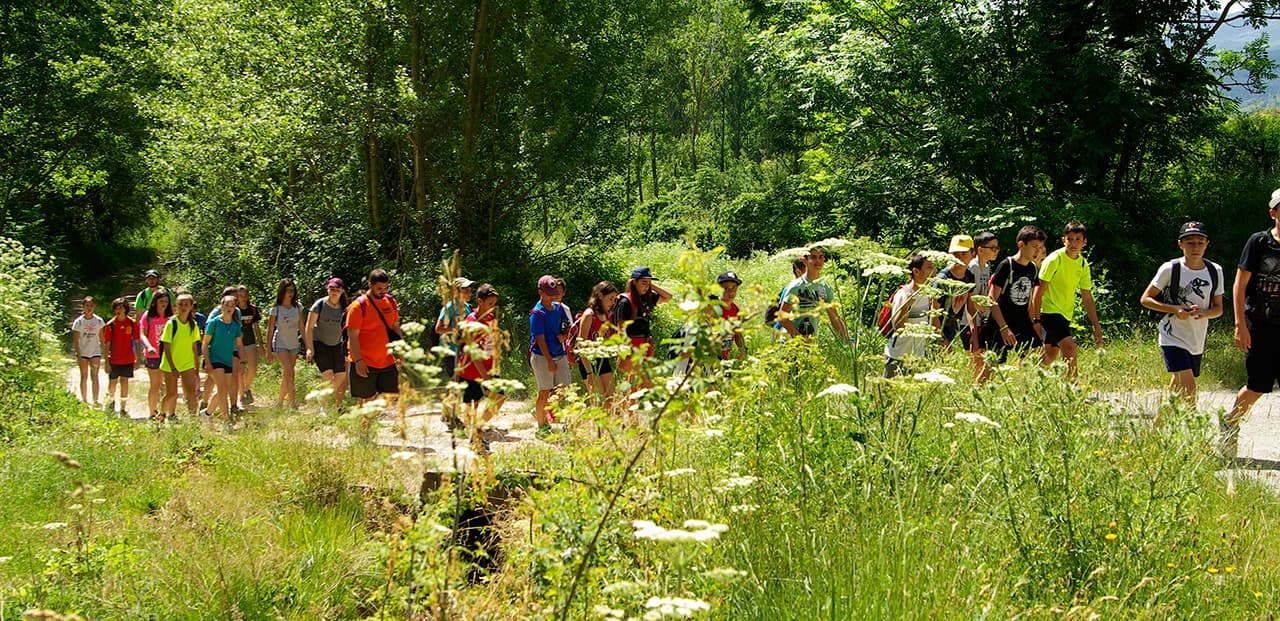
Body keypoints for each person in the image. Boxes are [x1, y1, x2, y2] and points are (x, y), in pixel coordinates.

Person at [1138, 222, 1223, 408]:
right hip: (1172, 336)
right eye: (1190, 242)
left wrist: (1204, 312)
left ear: (1207, 244)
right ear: (1180, 244)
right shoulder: (1170, 268)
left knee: (1175, 392)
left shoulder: (1215, 271)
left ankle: (1158, 425)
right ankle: (1193, 425)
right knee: (1189, 387)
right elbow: (1146, 299)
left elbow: (1218, 309)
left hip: (1196, 338)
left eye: (1200, 242)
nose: (1195, 247)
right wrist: (1175, 309)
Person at [1224, 189, 1280, 458]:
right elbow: (1239, 285)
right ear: (1273, 213)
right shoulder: (1259, 242)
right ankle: (1230, 424)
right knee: (1258, 385)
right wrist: (1240, 325)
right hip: (1260, 323)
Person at [1031, 222, 1103, 377]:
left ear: (1084, 242)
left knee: (1049, 356)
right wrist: (1036, 320)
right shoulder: (1054, 259)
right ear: (1063, 240)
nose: (1073, 243)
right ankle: (1072, 387)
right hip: (1049, 312)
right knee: (1070, 349)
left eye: (1078, 239)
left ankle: (1027, 381)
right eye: (1070, 239)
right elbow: (1038, 292)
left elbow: (1087, 297)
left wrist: (1096, 326)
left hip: (1065, 314)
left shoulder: (1082, 264)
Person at [979, 225, 1047, 377]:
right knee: (992, 366)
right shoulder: (1007, 265)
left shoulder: (1032, 268)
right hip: (1001, 322)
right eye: (1034, 246)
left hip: (1022, 321)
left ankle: (1023, 386)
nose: (1038, 251)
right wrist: (1004, 328)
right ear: (1021, 244)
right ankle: (977, 389)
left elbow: (1029, 300)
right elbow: (992, 298)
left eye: (1040, 247)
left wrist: (1034, 322)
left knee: (1036, 354)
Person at [346, 269, 403, 408]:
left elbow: (395, 327)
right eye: (379, 288)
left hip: (387, 360)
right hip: (365, 361)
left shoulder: (390, 302)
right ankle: (364, 421)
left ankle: (372, 414)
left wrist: (401, 351)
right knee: (367, 398)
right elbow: (352, 336)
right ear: (370, 285)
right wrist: (358, 361)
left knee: (392, 395)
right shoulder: (358, 306)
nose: (383, 291)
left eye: (386, 288)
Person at [458, 284, 506, 433]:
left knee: (499, 397)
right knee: (472, 404)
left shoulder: (491, 318)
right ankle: (471, 433)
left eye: (494, 303)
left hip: (489, 368)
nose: (493, 307)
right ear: (480, 301)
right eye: (490, 303)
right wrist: (485, 376)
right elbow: (473, 353)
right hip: (471, 371)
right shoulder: (471, 321)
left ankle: (477, 427)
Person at [779, 245, 852, 342]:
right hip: (790, 343)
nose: (818, 261)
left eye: (820, 257)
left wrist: (848, 340)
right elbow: (782, 317)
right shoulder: (796, 286)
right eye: (813, 257)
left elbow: (835, 318)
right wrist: (799, 339)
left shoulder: (824, 287)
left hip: (810, 343)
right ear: (804, 260)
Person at [884, 254, 939, 378]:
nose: (934, 272)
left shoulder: (928, 294)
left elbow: (934, 326)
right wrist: (905, 307)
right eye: (929, 268)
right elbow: (898, 328)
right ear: (916, 271)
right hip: (897, 355)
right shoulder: (903, 294)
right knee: (890, 390)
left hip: (918, 356)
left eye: (934, 267)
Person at [613, 267, 674, 378]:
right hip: (631, 345)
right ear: (634, 282)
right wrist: (622, 355)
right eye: (643, 283)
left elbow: (668, 297)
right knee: (634, 382)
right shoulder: (625, 301)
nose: (646, 287)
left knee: (645, 382)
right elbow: (620, 330)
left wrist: (651, 285)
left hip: (645, 344)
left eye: (649, 283)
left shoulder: (647, 299)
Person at [530, 275, 571, 436]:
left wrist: (565, 335)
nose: (552, 297)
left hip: (559, 353)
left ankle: (542, 410)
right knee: (544, 391)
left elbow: (567, 325)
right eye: (549, 294)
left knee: (564, 388)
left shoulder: (558, 308)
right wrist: (549, 361)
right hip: (542, 357)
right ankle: (542, 426)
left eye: (554, 293)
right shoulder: (537, 313)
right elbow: (540, 340)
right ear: (540, 292)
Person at [305, 278, 349, 413]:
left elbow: (348, 329)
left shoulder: (345, 307)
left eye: (337, 290)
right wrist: (309, 348)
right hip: (320, 342)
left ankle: (322, 395)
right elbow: (309, 327)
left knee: (341, 375)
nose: (334, 292)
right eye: (332, 289)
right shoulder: (319, 305)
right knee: (328, 374)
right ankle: (323, 408)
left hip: (337, 343)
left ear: (342, 291)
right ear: (327, 289)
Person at [203, 294, 245, 428]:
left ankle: (207, 413)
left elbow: (239, 344)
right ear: (221, 306)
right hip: (214, 359)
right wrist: (207, 362)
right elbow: (205, 343)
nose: (229, 308)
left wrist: (242, 361)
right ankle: (227, 420)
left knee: (224, 390)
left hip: (228, 360)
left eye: (232, 305)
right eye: (227, 305)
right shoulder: (214, 323)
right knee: (222, 388)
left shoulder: (235, 325)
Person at [160, 293, 203, 422]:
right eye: (180, 304)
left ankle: (193, 421)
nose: (183, 307)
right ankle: (161, 415)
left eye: (186, 304)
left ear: (191, 306)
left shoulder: (193, 325)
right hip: (170, 365)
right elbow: (166, 347)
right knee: (171, 394)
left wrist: (196, 368)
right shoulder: (171, 324)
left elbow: (194, 348)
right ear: (175, 306)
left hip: (187, 364)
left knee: (191, 392)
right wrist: (173, 367)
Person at [574, 281, 619, 400]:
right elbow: (580, 345)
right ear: (600, 296)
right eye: (610, 299)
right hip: (588, 361)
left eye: (614, 299)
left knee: (611, 398)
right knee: (598, 399)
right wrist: (589, 372)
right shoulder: (589, 315)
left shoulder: (607, 315)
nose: (612, 302)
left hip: (602, 358)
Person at [937, 235, 979, 351]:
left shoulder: (969, 276)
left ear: (973, 254)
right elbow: (933, 313)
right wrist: (942, 340)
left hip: (952, 332)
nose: (959, 258)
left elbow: (971, 308)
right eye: (955, 254)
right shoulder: (943, 279)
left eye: (964, 254)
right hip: (936, 334)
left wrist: (974, 335)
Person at [266, 279, 303, 409]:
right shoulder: (276, 309)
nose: (290, 293)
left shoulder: (298, 307)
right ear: (282, 291)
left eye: (292, 290)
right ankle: (292, 403)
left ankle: (279, 402)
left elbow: (302, 326)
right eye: (287, 290)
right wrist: (268, 350)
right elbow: (270, 329)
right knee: (289, 371)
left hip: (293, 343)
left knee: (287, 374)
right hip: (280, 343)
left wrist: (308, 345)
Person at [137, 290, 173, 421]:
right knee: (155, 385)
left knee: (169, 386)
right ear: (155, 302)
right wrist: (149, 346)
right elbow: (142, 334)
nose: (164, 304)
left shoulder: (171, 318)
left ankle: (166, 412)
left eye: (166, 301)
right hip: (153, 355)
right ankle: (152, 413)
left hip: (168, 355)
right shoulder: (148, 316)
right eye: (161, 301)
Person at [102, 297, 140, 416]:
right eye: (117, 308)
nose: (119, 310)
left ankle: (123, 408)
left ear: (126, 309)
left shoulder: (132, 323)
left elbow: (137, 341)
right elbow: (107, 344)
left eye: (121, 308)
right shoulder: (110, 325)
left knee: (125, 382)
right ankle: (111, 404)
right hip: (114, 359)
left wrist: (138, 359)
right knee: (112, 382)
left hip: (128, 358)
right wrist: (106, 362)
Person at [435, 277, 474, 380]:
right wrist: (456, 330)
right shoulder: (449, 307)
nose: (469, 293)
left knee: (466, 381)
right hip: (449, 351)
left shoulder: (467, 307)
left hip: (463, 350)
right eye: (466, 291)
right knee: (457, 380)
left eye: (470, 291)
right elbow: (438, 328)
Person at [71, 296, 104, 406]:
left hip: (95, 351)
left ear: (94, 307)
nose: (89, 308)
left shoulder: (99, 321)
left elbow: (102, 338)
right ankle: (84, 400)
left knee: (95, 375)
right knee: (84, 376)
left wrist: (105, 352)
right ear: (83, 307)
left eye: (91, 306)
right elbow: (76, 340)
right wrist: (79, 354)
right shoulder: (78, 322)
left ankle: (96, 400)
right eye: (87, 306)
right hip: (83, 352)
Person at [235, 285, 263, 406]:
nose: (243, 298)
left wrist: (260, 343)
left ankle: (246, 388)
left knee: (252, 368)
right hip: (237, 343)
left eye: (245, 295)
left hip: (250, 341)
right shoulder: (234, 309)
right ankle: (241, 395)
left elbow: (256, 327)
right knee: (240, 371)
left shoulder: (252, 309)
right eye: (240, 295)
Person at [715, 272, 747, 360]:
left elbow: (737, 333)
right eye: (726, 288)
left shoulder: (736, 309)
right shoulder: (713, 308)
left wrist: (742, 349)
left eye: (734, 288)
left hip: (726, 357)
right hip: (711, 357)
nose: (731, 292)